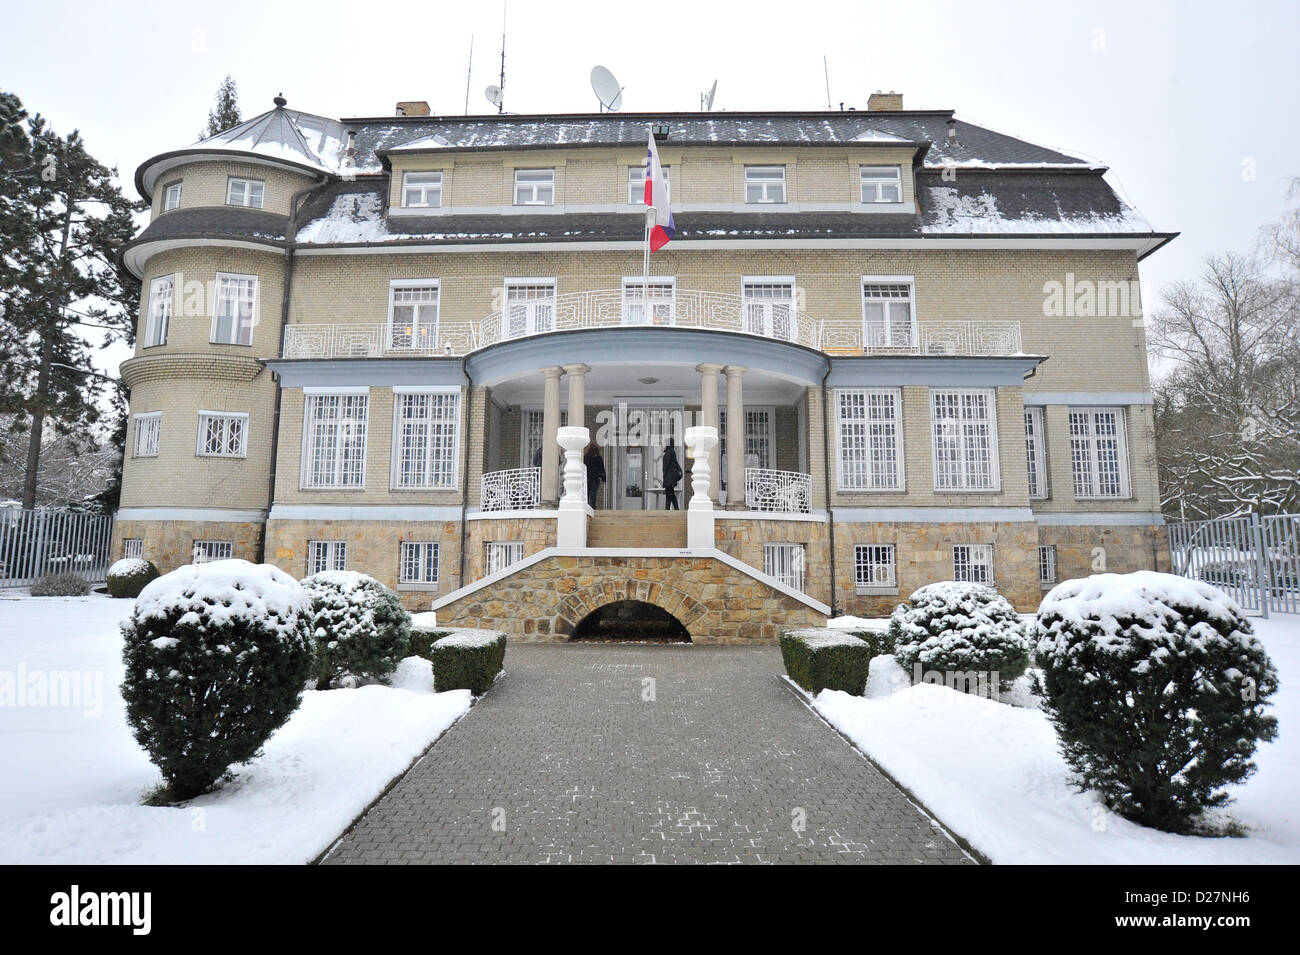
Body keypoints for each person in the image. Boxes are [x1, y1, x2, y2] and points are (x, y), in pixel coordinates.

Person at [584, 441, 606, 508]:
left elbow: (584, 467)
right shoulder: (598, 458)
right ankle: (592, 508)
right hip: (595, 478)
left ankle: (586, 507)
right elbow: (602, 468)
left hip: (587, 477)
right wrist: (604, 479)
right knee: (593, 494)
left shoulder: (586, 457)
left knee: (587, 493)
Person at [661, 442, 683, 510]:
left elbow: (666, 466)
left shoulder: (668, 452)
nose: (664, 445)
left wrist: (664, 477)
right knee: (671, 494)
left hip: (669, 477)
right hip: (671, 477)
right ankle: (676, 509)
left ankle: (667, 509)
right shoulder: (672, 451)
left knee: (669, 494)